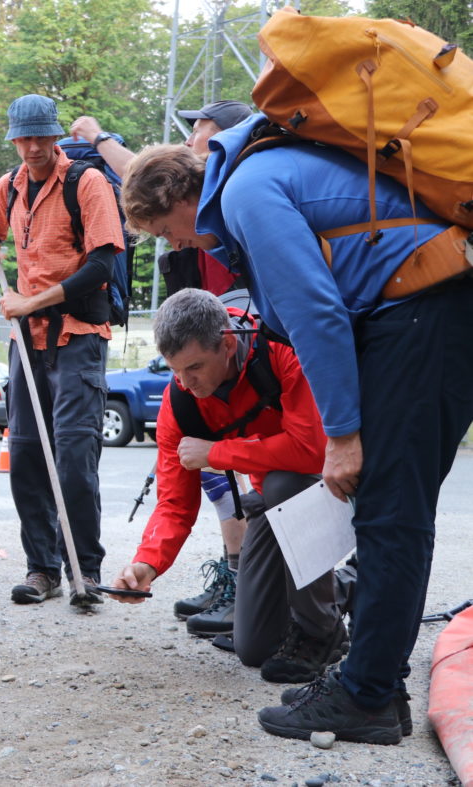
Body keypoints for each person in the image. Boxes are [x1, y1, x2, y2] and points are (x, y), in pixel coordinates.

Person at [119, 123, 473, 744]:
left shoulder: (247, 194)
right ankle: (373, 686)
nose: (174, 244)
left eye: (164, 231)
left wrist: (341, 434)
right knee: (389, 512)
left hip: (423, 313)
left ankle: (366, 695)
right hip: (420, 312)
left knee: (392, 513)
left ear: (178, 199)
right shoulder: (255, 179)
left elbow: (315, 311)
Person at [72, 99, 251, 626]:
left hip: (244, 344)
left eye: (205, 129)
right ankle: (237, 578)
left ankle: (259, 588)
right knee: (216, 474)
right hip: (205, 338)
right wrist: (148, 562)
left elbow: (148, 176)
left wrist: (99, 134)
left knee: (256, 475)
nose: (194, 137)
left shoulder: (233, 196)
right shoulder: (199, 205)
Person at [109, 288, 346, 683]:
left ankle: (322, 630)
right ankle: (344, 587)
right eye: (175, 370)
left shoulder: (282, 348)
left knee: (286, 483)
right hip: (272, 506)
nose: (186, 382)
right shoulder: (180, 401)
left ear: (228, 343)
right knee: (253, 649)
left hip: (329, 483)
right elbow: (174, 503)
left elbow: (310, 450)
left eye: (195, 367)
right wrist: (146, 564)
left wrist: (217, 453)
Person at [0, 94, 123, 607]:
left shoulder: (88, 182)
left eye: (42, 137)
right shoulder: (7, 187)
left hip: (78, 335)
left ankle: (86, 570)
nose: (33, 147)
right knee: (28, 455)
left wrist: (32, 300)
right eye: (24, 138)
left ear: (57, 136)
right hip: (25, 340)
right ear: (13, 138)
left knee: (75, 455)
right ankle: (43, 569)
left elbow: (101, 266)